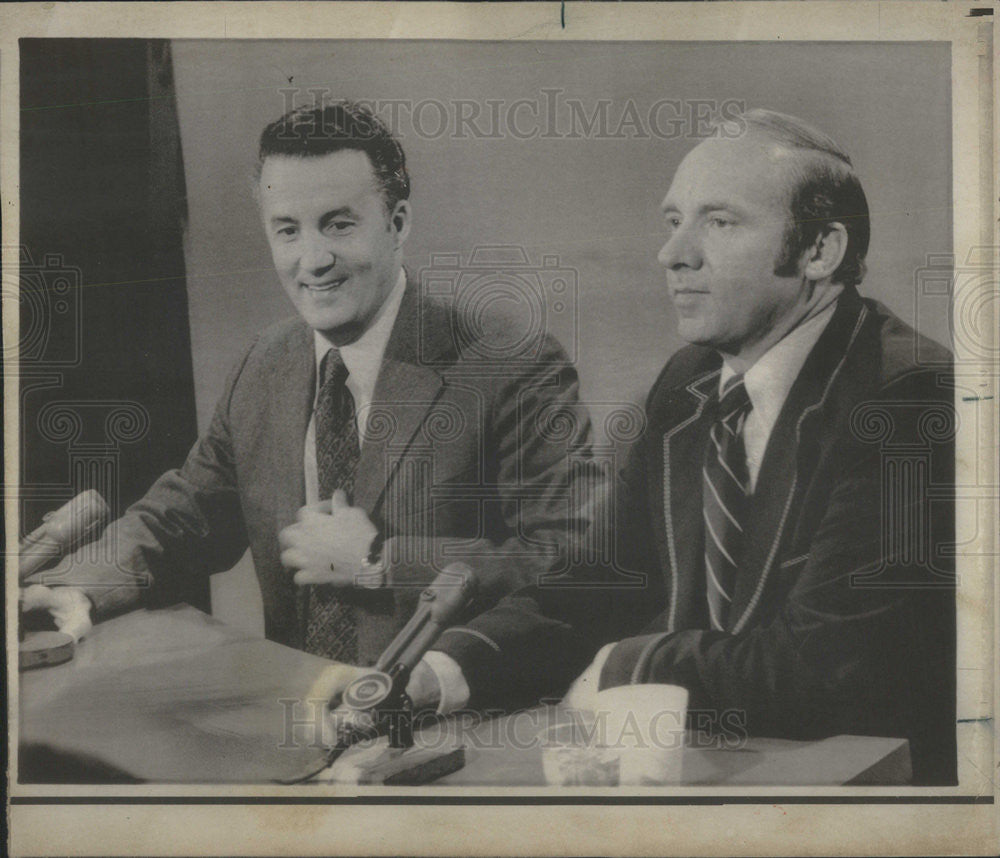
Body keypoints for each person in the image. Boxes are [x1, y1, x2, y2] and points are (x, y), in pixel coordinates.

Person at [326, 108, 955, 784]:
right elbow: (598, 585)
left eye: (719, 222)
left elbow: (831, 667)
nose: (673, 254)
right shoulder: (687, 384)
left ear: (820, 251)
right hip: (720, 766)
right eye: (672, 221)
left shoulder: (907, 397)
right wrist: (440, 672)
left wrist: (629, 666)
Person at [22, 101, 595, 705]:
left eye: (339, 225)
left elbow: (573, 560)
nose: (312, 260)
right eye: (287, 229)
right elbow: (185, 514)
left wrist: (381, 559)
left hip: (457, 730)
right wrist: (76, 588)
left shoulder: (511, 363)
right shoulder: (264, 363)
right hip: (302, 721)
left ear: (398, 223)